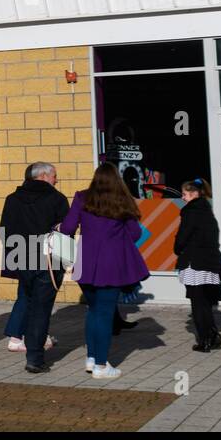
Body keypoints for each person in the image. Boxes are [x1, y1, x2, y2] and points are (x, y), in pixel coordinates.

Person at [60, 163, 150, 381]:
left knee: (93, 310)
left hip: (85, 263)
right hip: (112, 264)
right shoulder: (122, 200)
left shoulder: (82, 197)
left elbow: (68, 229)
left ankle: (91, 358)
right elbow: (136, 233)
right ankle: (101, 364)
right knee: (104, 313)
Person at [0, 161, 70, 373]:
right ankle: (35, 358)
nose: (56, 180)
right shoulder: (56, 199)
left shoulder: (12, 199)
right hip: (48, 262)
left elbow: (4, 230)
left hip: (21, 260)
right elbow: (66, 233)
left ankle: (25, 343)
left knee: (28, 301)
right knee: (41, 309)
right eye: (54, 175)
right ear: (42, 176)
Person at [173, 177, 221, 352]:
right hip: (209, 261)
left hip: (194, 262)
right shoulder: (207, 210)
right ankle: (213, 335)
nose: (183, 198)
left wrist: (177, 248)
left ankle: (205, 340)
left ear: (195, 194)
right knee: (205, 301)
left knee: (197, 303)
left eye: (185, 194)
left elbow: (183, 237)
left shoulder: (191, 212)